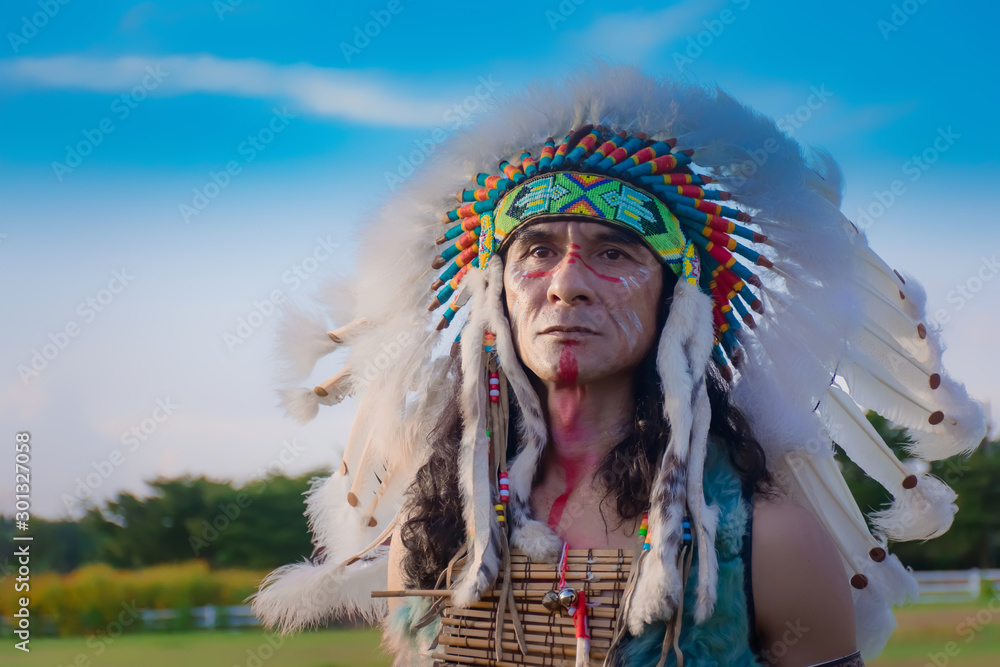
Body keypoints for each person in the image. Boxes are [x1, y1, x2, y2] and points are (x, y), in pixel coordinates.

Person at [250, 64, 986, 667]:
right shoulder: (434, 529)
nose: (567, 281)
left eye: (615, 252)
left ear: (680, 303)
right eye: (536, 249)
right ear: (496, 293)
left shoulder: (772, 542)